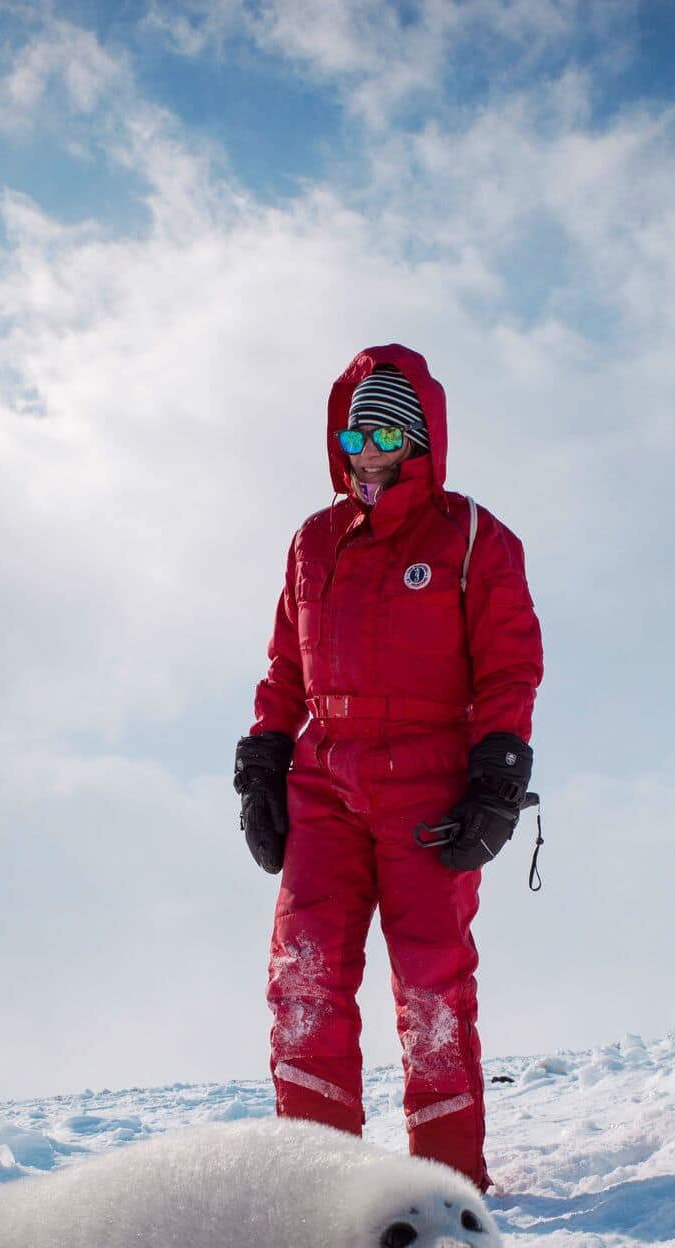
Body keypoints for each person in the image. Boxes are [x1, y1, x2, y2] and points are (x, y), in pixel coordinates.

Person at [233, 344, 543, 1191]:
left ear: (416, 440)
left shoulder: (474, 538)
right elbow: (283, 669)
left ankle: (446, 1184)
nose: (364, 450)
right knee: (304, 976)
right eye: (351, 432)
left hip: (431, 784)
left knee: (431, 986)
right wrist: (264, 757)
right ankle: (316, 1185)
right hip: (324, 782)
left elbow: (510, 668)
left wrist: (498, 776)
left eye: (381, 433)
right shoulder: (314, 541)